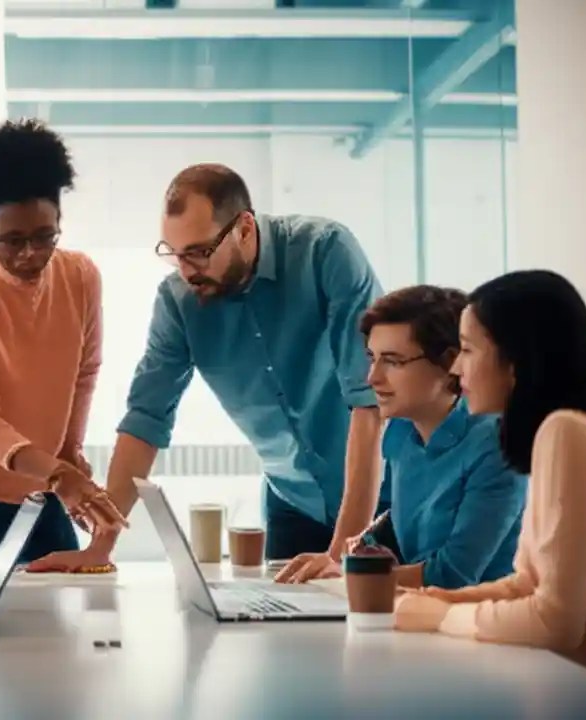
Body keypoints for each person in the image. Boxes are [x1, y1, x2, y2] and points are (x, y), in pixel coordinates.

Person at [32, 163, 383, 573]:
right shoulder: (178, 302)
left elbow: (368, 400)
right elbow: (145, 420)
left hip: (380, 499)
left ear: (244, 229)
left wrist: (342, 554)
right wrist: (101, 545)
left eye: (199, 252)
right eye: (174, 254)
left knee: (390, 611)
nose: (186, 271)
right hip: (293, 501)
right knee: (287, 612)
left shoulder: (325, 252)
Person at [394, 270, 586, 708]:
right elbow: (532, 582)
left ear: (516, 361)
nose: (455, 367)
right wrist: (440, 598)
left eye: (467, 349)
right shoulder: (578, 431)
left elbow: (555, 620)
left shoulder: (568, 432)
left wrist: (445, 616)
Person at [0, 118, 125, 564]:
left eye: (44, 236)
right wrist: (59, 473)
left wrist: (68, 454)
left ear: (59, 220)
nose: (30, 253)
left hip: (43, 482)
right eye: (12, 241)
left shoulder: (81, 276)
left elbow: (84, 372)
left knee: (66, 597)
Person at [275, 285, 526, 588]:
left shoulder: (497, 445)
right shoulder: (402, 430)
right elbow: (393, 525)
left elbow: (453, 574)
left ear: (449, 363)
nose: (372, 378)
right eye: (372, 358)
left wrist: (348, 574)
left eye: (393, 361)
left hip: (478, 613)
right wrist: (340, 559)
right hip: (415, 607)